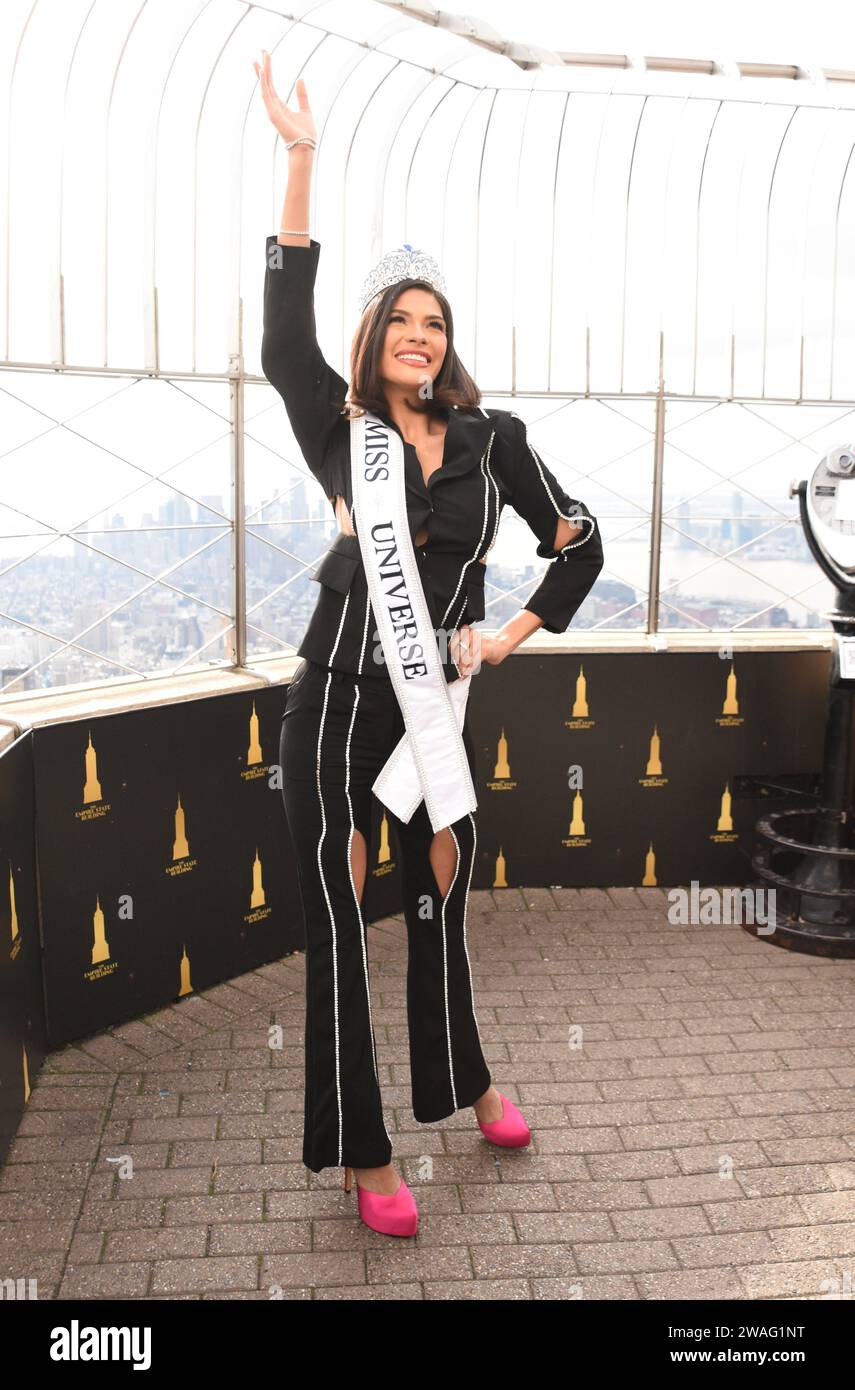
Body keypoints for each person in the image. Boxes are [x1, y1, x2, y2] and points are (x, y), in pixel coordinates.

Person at [254, 53, 604, 1237]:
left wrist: (505, 636)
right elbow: (279, 337)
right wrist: (301, 162)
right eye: (398, 318)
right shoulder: (336, 426)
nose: (417, 334)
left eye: (433, 320)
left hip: (434, 711)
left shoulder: (494, 436)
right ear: (373, 334)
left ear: (450, 341)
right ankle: (362, 1150)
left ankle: (468, 1082)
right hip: (336, 701)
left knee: (444, 899)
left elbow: (580, 542)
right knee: (341, 911)